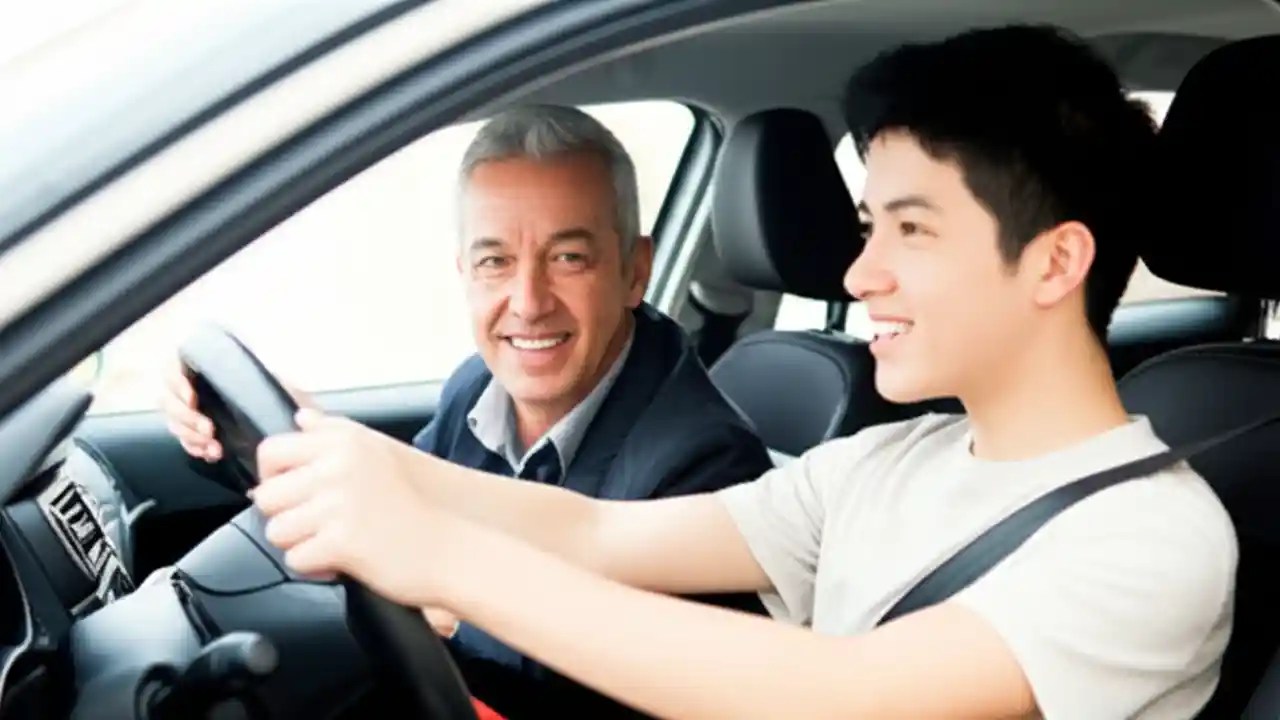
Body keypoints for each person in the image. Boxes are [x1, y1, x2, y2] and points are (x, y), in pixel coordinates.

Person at [248, 25, 1239, 719]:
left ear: (1052, 263)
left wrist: (439, 557)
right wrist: (326, 449)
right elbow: (597, 531)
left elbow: (838, 697)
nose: (859, 272)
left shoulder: (1154, 537)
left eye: (910, 228)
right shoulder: (887, 462)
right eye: (865, 227)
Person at [160, 105, 773, 718]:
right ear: (465, 272)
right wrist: (259, 438)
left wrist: (445, 599)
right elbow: (398, 507)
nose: (528, 303)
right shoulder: (478, 387)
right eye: (495, 262)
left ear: (634, 271)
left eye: (567, 258)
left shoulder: (703, 464)